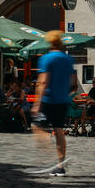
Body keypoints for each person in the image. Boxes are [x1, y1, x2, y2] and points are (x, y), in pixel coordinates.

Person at [32, 32, 77, 176]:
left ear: (50, 43)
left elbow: (43, 82)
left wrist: (37, 103)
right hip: (62, 100)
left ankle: (48, 153)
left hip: (48, 100)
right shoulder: (68, 59)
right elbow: (73, 83)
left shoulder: (47, 58)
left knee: (37, 127)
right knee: (59, 131)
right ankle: (60, 164)